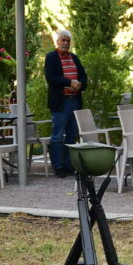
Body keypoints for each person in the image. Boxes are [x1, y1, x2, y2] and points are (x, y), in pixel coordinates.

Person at [44, 28, 87, 177]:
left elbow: (83, 76)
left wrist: (79, 84)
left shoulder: (74, 58)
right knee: (57, 135)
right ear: (57, 42)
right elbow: (51, 78)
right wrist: (70, 82)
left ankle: (69, 165)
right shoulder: (51, 57)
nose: (66, 43)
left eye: (68, 41)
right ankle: (58, 166)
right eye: (63, 40)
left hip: (74, 100)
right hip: (60, 102)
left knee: (72, 134)